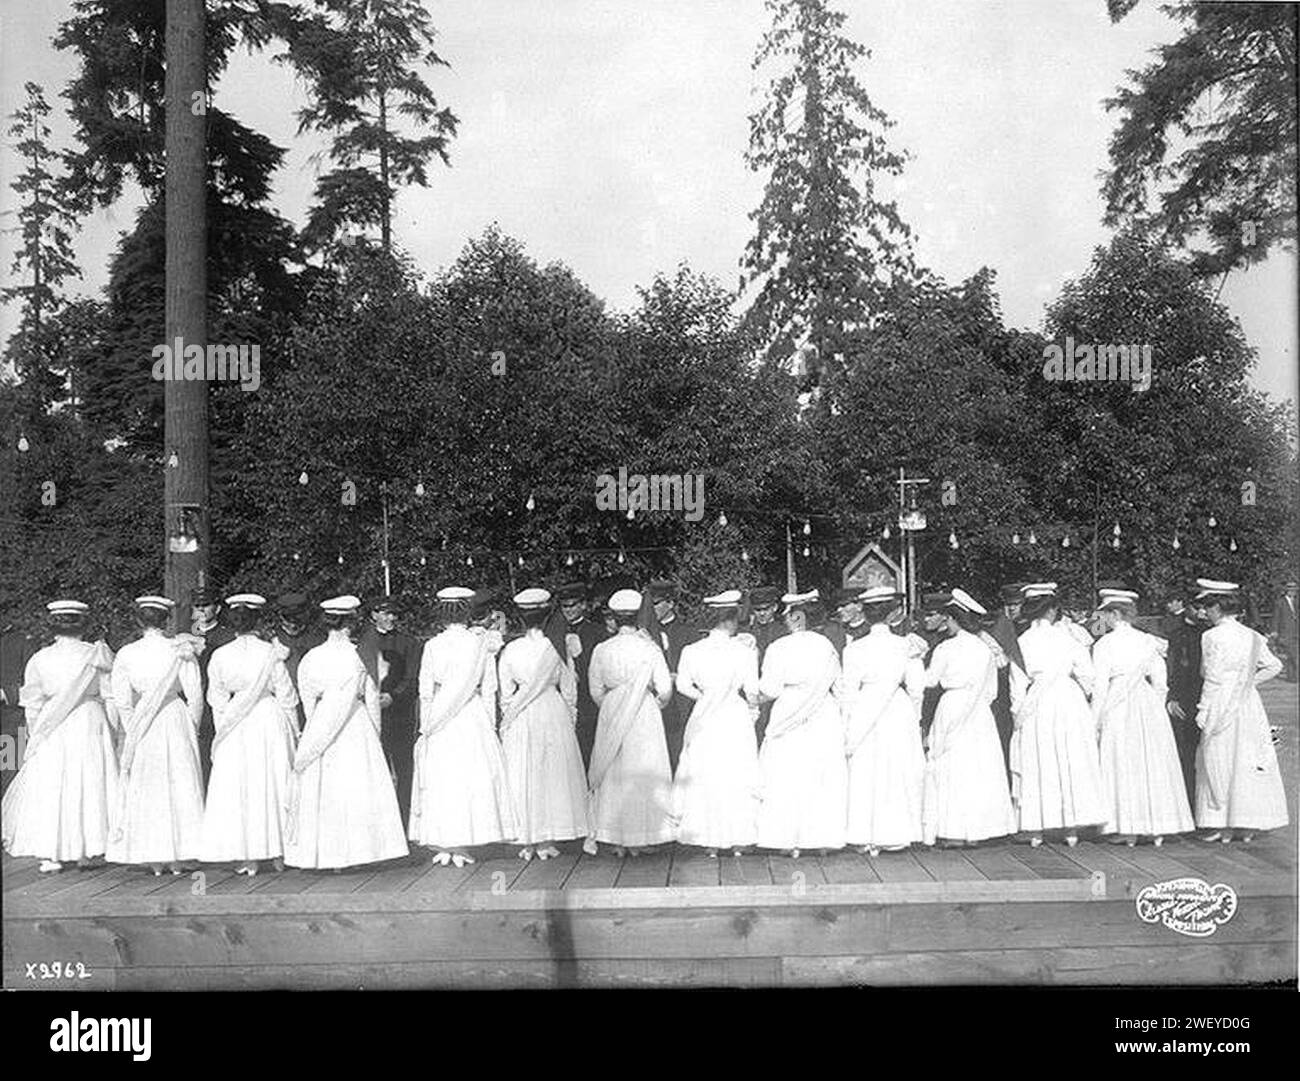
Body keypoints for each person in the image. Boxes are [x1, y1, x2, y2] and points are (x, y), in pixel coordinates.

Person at [284, 595, 407, 870]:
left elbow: (307, 703)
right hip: (357, 722)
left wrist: (317, 733)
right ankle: (361, 852)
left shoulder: (310, 658)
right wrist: (374, 735)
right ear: (351, 623)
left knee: (327, 790)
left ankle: (328, 855)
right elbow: (372, 699)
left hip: (322, 725)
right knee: (357, 787)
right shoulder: (362, 655)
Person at [2, 600, 118, 873]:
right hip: (90, 721)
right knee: (90, 781)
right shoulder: (97, 654)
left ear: (53, 624)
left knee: (53, 784)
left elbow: (32, 702)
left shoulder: (41, 659)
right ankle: (89, 850)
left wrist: (34, 734)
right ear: (83, 623)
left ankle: (49, 852)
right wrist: (112, 730)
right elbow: (110, 695)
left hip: (53, 726)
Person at [409, 587, 517, 867]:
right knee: (471, 778)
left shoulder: (433, 645)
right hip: (472, 713)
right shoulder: (479, 643)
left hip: (442, 717)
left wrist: (427, 724)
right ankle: (468, 837)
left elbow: (425, 690)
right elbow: (489, 687)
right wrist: (491, 725)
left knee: (444, 777)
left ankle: (447, 841)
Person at [199, 594, 300, 875]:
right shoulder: (271, 652)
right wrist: (293, 730)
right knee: (272, 781)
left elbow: (215, 698)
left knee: (240, 786)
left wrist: (224, 729)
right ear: (257, 621)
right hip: (268, 718)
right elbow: (287, 696)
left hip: (236, 723)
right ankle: (279, 851)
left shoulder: (220, 655)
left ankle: (246, 855)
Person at [106, 596, 206, 875]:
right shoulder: (179, 649)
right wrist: (192, 726)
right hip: (175, 716)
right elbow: (195, 694)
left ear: (139, 621)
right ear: (166, 620)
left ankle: (151, 854)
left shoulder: (126, 653)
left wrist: (133, 726)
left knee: (148, 784)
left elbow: (121, 699)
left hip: (143, 721)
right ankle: (181, 852)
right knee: (179, 780)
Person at [1091, 589, 1194, 847]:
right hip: (1146, 702)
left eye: (1105, 614)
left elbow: (1100, 687)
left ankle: (1127, 827)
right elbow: (1160, 682)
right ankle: (1158, 826)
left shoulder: (1104, 644)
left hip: (1119, 702)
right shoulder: (1148, 641)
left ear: (1115, 614)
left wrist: (1095, 722)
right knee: (1152, 762)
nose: (1102, 619)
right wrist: (1155, 709)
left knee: (1123, 762)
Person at [1191, 579, 1288, 843]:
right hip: (1247, 704)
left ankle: (1221, 823)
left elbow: (1211, 677)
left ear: (1219, 608)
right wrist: (1247, 682)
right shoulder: (1252, 635)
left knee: (1217, 757)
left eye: (1208, 607)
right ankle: (1248, 824)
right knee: (1246, 757)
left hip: (1221, 702)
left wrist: (1203, 709)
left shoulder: (1211, 636)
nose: (1205, 613)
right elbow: (1274, 666)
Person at [1010, 583, 1107, 847]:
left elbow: (1016, 686)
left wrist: (1017, 715)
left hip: (1037, 701)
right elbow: (1088, 676)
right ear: (1053, 610)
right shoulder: (1069, 638)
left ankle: (1036, 828)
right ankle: (1071, 828)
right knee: (1070, 758)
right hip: (1068, 699)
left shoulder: (1021, 642)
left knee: (1039, 760)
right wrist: (1082, 694)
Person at [497, 588, 589, 861]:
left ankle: (527, 836)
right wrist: (569, 718)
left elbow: (505, 693)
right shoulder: (557, 646)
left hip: (523, 714)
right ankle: (548, 836)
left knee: (524, 772)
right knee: (552, 774)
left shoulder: (511, 649)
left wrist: (509, 719)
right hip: (552, 709)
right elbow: (569, 688)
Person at [670, 589, 762, 858]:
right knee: (735, 772)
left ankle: (709, 839)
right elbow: (753, 690)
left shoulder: (691, 650)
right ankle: (738, 839)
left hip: (704, 716)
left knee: (705, 771)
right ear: (733, 619)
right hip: (734, 715)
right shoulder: (744, 651)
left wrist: (705, 698)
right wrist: (752, 711)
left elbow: (682, 684)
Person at [755, 590, 848, 857]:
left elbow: (770, 689)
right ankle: (821, 839)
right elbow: (839, 686)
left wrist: (752, 700)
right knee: (820, 776)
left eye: (788, 615)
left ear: (797, 617)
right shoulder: (827, 645)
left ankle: (787, 840)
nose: (784, 620)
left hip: (789, 707)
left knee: (787, 775)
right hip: (823, 712)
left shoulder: (779, 647)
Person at [922, 589, 1016, 848]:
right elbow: (992, 691)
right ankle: (981, 829)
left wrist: (913, 662)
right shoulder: (983, 648)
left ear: (952, 619)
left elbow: (930, 680)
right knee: (978, 768)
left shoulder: (945, 647)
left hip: (952, 703)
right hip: (980, 713)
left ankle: (953, 831)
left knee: (952, 766)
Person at [585, 588, 675, 857]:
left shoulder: (602, 649)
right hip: (644, 713)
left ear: (614, 617)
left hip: (612, 709)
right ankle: (644, 836)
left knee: (614, 771)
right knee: (643, 768)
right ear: (639, 616)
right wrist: (651, 705)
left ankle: (616, 838)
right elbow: (665, 688)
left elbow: (595, 690)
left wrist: (615, 707)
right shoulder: (650, 648)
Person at [842, 586, 925, 856]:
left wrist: (848, 726)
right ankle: (898, 833)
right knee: (897, 769)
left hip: (865, 705)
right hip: (897, 709)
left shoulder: (855, 648)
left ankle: (864, 834)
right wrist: (915, 717)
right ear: (891, 613)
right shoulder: (906, 646)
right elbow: (916, 689)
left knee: (867, 772)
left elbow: (848, 693)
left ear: (864, 612)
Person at [357, 595, 422, 828]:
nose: (391, 618)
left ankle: (405, 822)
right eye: (385, 613)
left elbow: (413, 677)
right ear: (373, 615)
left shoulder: (409, 643)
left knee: (405, 768)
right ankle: (380, 825)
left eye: (394, 613)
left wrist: (394, 696)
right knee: (376, 768)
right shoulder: (362, 643)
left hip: (400, 712)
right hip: (370, 715)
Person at [646, 580, 699, 774]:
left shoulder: (687, 632)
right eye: (650, 604)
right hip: (654, 700)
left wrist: (679, 676)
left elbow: (696, 671)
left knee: (678, 750)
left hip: (680, 701)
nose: (653, 609)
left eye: (657, 603)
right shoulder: (646, 633)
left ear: (670, 603)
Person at [556, 582, 607, 769]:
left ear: (583, 606)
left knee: (588, 749)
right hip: (562, 700)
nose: (568, 610)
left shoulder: (597, 632)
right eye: (564, 606)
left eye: (573, 605)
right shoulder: (553, 633)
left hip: (587, 700)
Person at [191, 586, 236, 787]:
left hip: (217, 703)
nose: (201, 610)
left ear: (216, 609)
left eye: (206, 605)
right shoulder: (185, 636)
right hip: (192, 701)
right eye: (197, 606)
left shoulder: (227, 637)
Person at [985, 583, 1029, 776]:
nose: (1011, 608)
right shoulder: (999, 626)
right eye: (1008, 604)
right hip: (1003, 694)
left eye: (1016, 604)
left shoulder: (1028, 626)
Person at [271, 592, 325, 729]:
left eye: (297, 618)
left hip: (314, 703)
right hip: (281, 706)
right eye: (288, 618)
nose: (293, 624)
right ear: (280, 617)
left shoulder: (317, 639)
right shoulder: (270, 641)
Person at [745, 584, 786, 746]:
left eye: (766, 609)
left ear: (774, 608)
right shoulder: (746, 633)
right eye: (757, 610)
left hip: (776, 691)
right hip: (752, 689)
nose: (761, 613)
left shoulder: (783, 632)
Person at [0, 618, 37, 799]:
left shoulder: (22, 642)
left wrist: (6, 694)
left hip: (9, 728)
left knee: (9, 780)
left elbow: (35, 686)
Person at [1269, 579, 1298, 681]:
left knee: (1294, 654)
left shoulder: (1297, 602)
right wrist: (1274, 631)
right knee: (1292, 654)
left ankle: (1292, 677)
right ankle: (1294, 676)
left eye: (1294, 588)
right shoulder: (1280, 602)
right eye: (1290, 588)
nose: (1293, 590)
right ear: (1286, 590)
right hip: (1285, 632)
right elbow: (1275, 617)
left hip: (1296, 631)